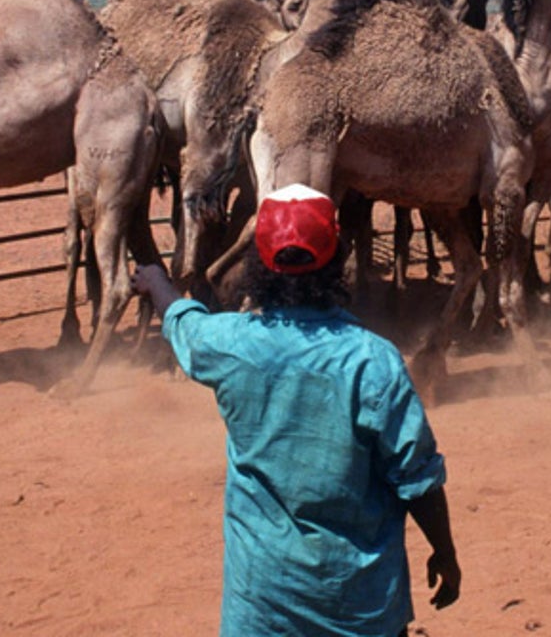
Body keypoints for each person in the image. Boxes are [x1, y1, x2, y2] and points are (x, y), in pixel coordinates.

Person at [131, 183, 461, 636]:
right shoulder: (372, 360)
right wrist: (445, 552)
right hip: (359, 609)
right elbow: (417, 477)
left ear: (258, 262)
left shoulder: (231, 345)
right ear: (338, 258)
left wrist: (156, 283)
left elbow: (184, 324)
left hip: (263, 609)